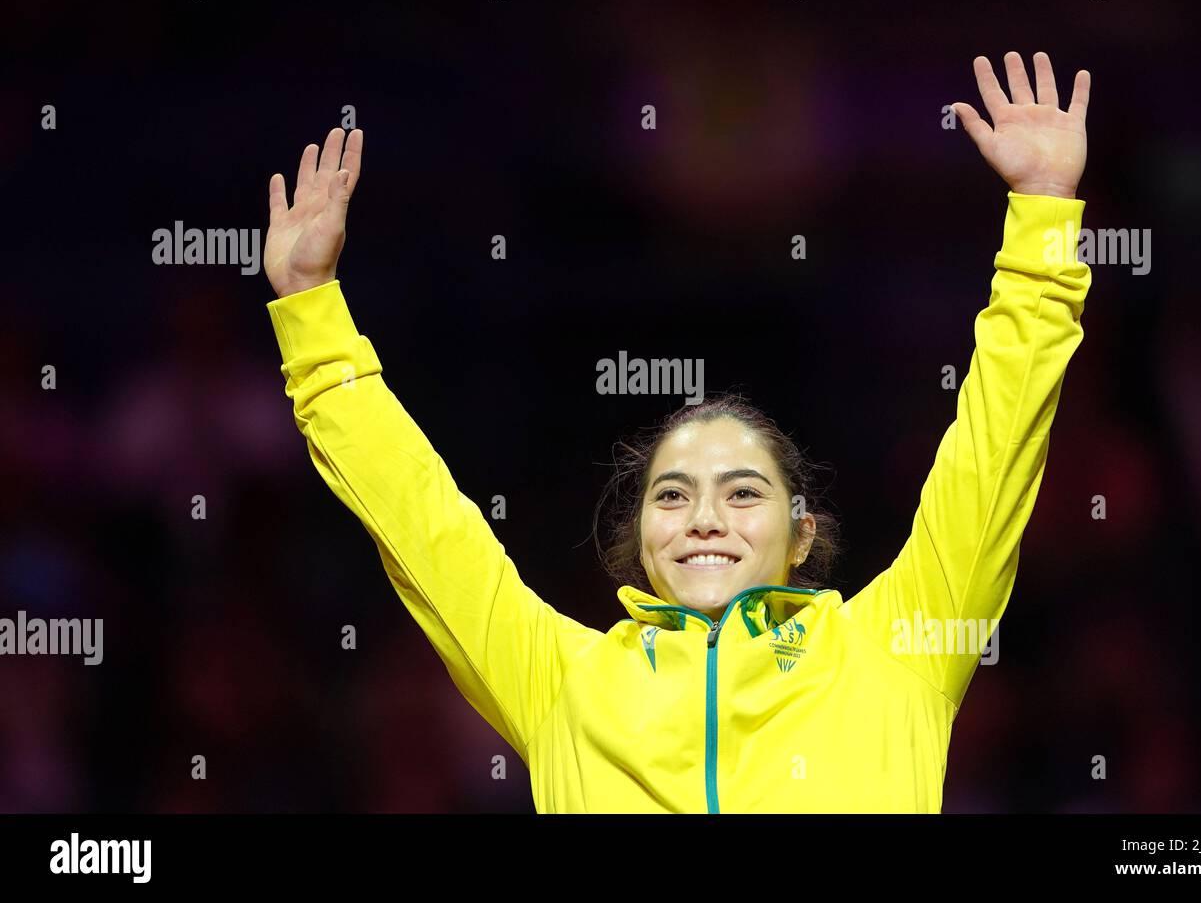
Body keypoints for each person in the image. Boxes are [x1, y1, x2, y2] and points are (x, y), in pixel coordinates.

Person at [263, 51, 1092, 812]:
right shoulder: (563, 684)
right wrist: (311, 310)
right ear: (641, 534)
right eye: (673, 494)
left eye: (742, 491)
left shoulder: (898, 650)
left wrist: (1044, 217)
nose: (705, 517)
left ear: (802, 532)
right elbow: (421, 523)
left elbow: (997, 445)